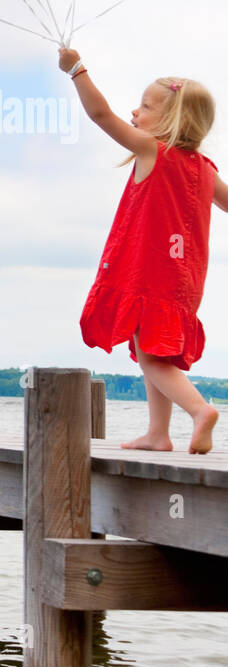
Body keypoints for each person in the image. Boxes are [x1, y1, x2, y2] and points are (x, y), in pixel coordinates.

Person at [62, 46, 225, 454]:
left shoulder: (154, 151)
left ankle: (199, 410)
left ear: (170, 119)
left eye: (145, 107)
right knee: (153, 350)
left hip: (151, 274)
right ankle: (158, 434)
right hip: (187, 280)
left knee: (151, 356)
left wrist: (77, 70)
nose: (135, 113)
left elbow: (102, 116)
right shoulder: (204, 170)